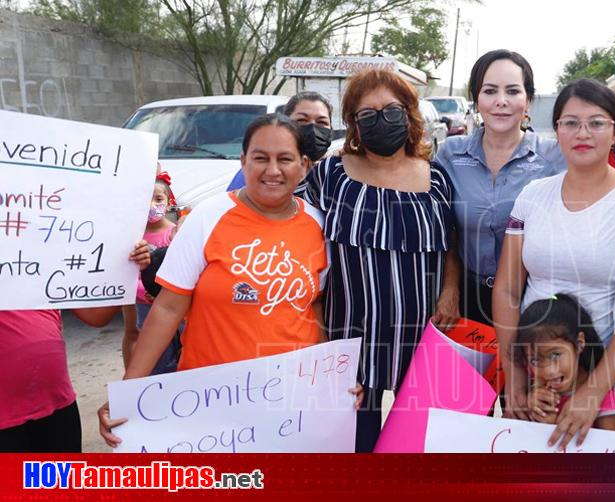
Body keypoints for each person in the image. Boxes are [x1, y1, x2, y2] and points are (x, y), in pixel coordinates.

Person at [99, 113, 360, 448]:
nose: (272, 171)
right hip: (214, 404)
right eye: (260, 158)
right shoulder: (208, 217)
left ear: (305, 165)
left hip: (292, 406)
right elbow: (167, 309)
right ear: (243, 161)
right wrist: (128, 390)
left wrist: (332, 381)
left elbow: (317, 307)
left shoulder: (318, 224)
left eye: (285, 159)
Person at [492, 79, 615, 449]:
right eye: (570, 122)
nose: (582, 133)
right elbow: (508, 289)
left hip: (606, 379)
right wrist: (516, 379)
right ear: (555, 130)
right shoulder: (532, 196)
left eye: (596, 122)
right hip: (535, 374)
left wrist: (593, 392)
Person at [295, 69, 457, 453]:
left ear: (409, 114)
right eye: (367, 114)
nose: (380, 120)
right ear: (352, 123)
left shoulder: (437, 179)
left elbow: (451, 244)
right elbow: (284, 221)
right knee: (356, 446)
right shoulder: (331, 175)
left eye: (391, 110)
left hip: (419, 338)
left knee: (414, 448)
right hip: (349, 340)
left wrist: (450, 290)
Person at [435, 50, 566, 326]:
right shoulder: (450, 155)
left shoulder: (555, 156)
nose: (501, 102)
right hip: (464, 298)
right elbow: (443, 229)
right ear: (477, 99)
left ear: (528, 100)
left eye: (513, 91)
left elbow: (600, 184)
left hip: (532, 299)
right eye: (490, 91)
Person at [1, 243, 151, 452]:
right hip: (6, 420)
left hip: (57, 405)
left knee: (61, 483)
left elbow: (96, 316)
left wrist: (127, 267)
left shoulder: (35, 251)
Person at [516, 294, 615, 431]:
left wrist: (554, 427)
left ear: (579, 343)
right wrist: (533, 413)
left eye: (555, 355)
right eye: (535, 360)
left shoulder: (601, 397)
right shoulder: (535, 393)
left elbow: (612, 448)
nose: (548, 371)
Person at [121, 171, 180, 374]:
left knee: (178, 344)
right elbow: (126, 271)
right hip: (143, 305)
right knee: (151, 347)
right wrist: (142, 291)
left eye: (158, 199)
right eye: (146, 199)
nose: (152, 205)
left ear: (169, 201)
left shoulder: (176, 233)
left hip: (174, 305)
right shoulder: (132, 237)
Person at [226, 91, 335, 191]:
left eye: (321, 122)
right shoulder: (255, 173)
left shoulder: (335, 174)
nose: (313, 129)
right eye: (302, 120)